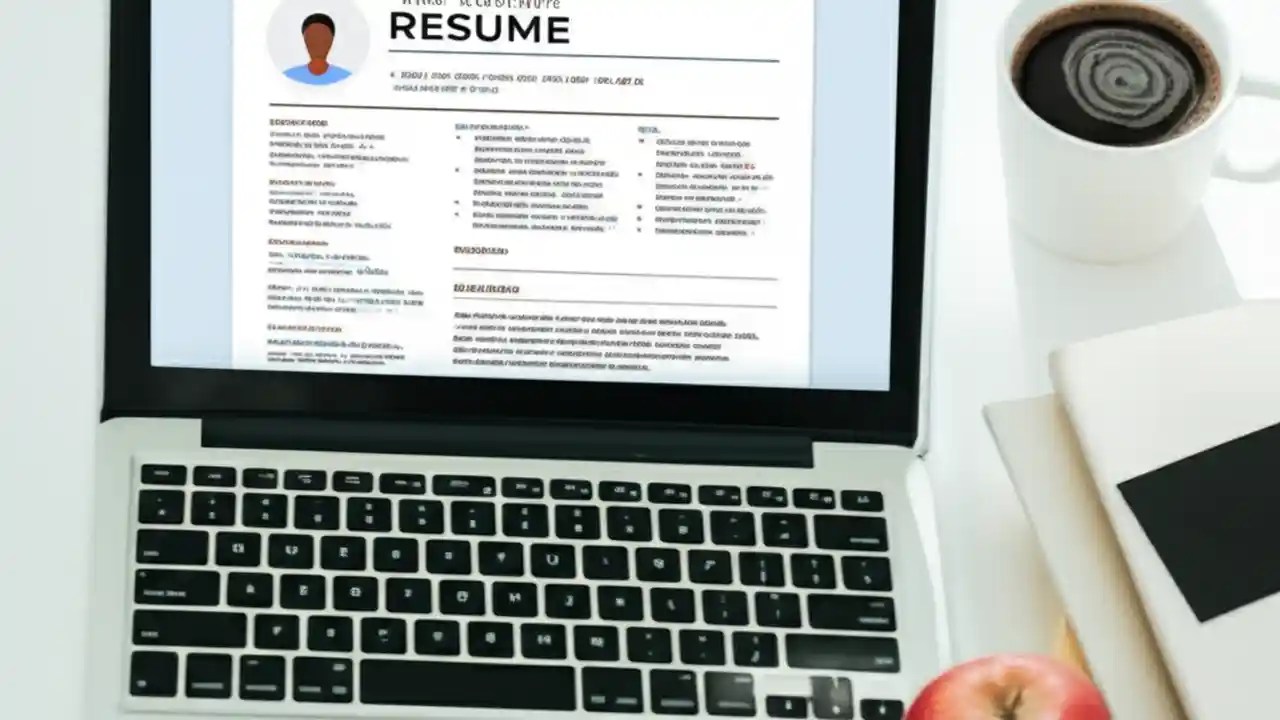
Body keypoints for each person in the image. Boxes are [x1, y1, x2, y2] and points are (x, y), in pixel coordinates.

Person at [284, 13, 351, 86]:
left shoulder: (347, 80)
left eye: (323, 39)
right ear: (305, 42)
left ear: (331, 42)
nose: (318, 43)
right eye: (313, 38)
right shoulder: (287, 78)